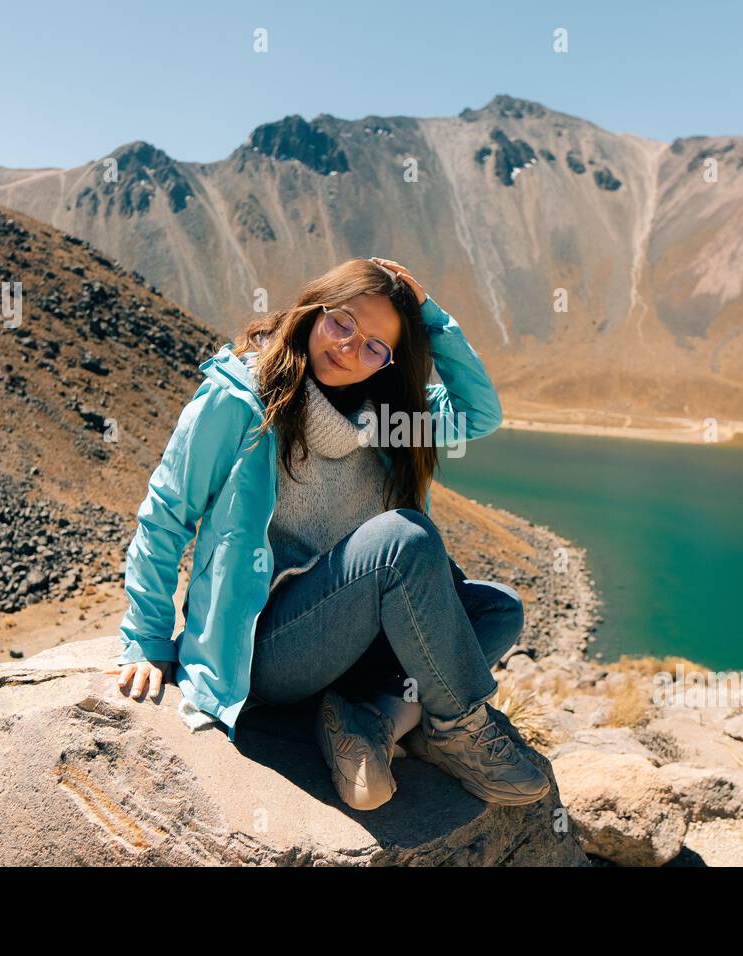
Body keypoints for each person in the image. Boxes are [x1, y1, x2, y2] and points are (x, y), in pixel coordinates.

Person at [112, 256, 549, 811]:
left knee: (499, 609)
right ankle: (454, 727)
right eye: (343, 322)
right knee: (404, 540)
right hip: (270, 649)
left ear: (388, 362)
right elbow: (167, 512)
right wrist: (148, 638)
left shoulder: (392, 415)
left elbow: (480, 413)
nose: (349, 347)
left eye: (374, 345)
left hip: (356, 638)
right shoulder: (242, 397)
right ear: (314, 309)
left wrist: (429, 316)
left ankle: (366, 721)